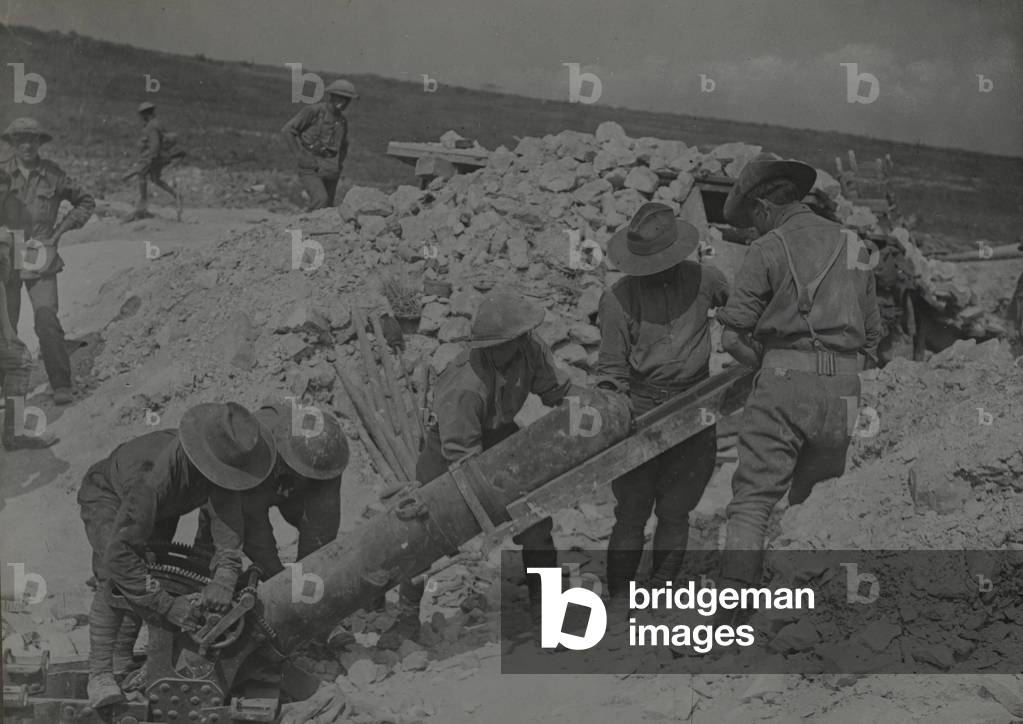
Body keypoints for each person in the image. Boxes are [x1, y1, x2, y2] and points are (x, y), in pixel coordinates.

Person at [714, 154, 881, 598]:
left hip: (784, 386)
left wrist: (768, 363)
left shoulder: (768, 248)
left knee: (753, 500)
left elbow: (731, 338)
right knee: (818, 494)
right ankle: (806, 602)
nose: (754, 228)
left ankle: (732, 609)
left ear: (765, 208)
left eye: (754, 219)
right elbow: (873, 339)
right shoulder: (855, 245)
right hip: (845, 390)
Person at [384, 291, 574, 644]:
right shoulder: (464, 384)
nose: (524, 342)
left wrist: (591, 407)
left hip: (499, 437)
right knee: (424, 536)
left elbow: (559, 390)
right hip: (449, 456)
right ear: (491, 347)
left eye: (523, 337)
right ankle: (406, 617)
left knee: (535, 522)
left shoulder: (528, 350)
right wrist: (482, 521)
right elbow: (463, 459)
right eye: (514, 339)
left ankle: (548, 615)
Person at [77, 402, 275, 708]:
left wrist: (224, 575)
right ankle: (100, 675)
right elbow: (120, 558)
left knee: (149, 573)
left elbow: (228, 525)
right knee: (116, 578)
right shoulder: (152, 478)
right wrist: (169, 607)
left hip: (161, 508)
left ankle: (121, 664)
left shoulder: (219, 462)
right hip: (110, 497)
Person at [596, 202, 730, 597]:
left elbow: (743, 312)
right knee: (632, 513)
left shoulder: (708, 281)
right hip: (641, 411)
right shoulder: (617, 300)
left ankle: (660, 592)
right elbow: (611, 375)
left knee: (676, 511)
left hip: (696, 407)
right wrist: (616, 426)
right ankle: (620, 597)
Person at [194, 400, 348, 578]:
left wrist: (303, 580)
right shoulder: (259, 442)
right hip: (250, 484)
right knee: (220, 518)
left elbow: (321, 530)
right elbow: (253, 523)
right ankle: (199, 561)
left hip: (291, 486)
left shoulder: (327, 459)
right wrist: (277, 576)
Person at [2, 118, 95, 406]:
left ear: (40, 143)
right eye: (20, 140)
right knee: (6, 325)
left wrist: (59, 233)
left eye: (32, 139)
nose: (27, 145)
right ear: (13, 144)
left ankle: (60, 383)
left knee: (46, 320)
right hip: (6, 259)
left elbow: (86, 201)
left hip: (41, 257)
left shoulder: (54, 175)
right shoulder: (2, 174)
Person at [1, 169, 57, 450]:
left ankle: (14, 433)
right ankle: (14, 434)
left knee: (16, 359)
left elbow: (16, 272)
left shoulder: (13, 221)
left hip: (5, 298)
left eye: (2, 191)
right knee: (19, 361)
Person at [281, 79, 357, 211]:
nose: (343, 102)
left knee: (327, 208)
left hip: (331, 170)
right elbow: (288, 130)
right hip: (311, 167)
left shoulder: (342, 121)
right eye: (340, 97)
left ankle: (317, 230)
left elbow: (343, 145)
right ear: (332, 96)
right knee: (320, 200)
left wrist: (339, 165)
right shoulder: (313, 111)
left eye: (347, 99)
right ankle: (302, 229)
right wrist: (300, 156)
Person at [123, 102, 183, 222]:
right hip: (158, 156)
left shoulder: (152, 126)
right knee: (155, 178)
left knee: (140, 173)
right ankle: (176, 195)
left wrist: (150, 159)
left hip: (155, 157)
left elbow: (155, 145)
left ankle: (143, 204)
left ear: (145, 114)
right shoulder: (155, 124)